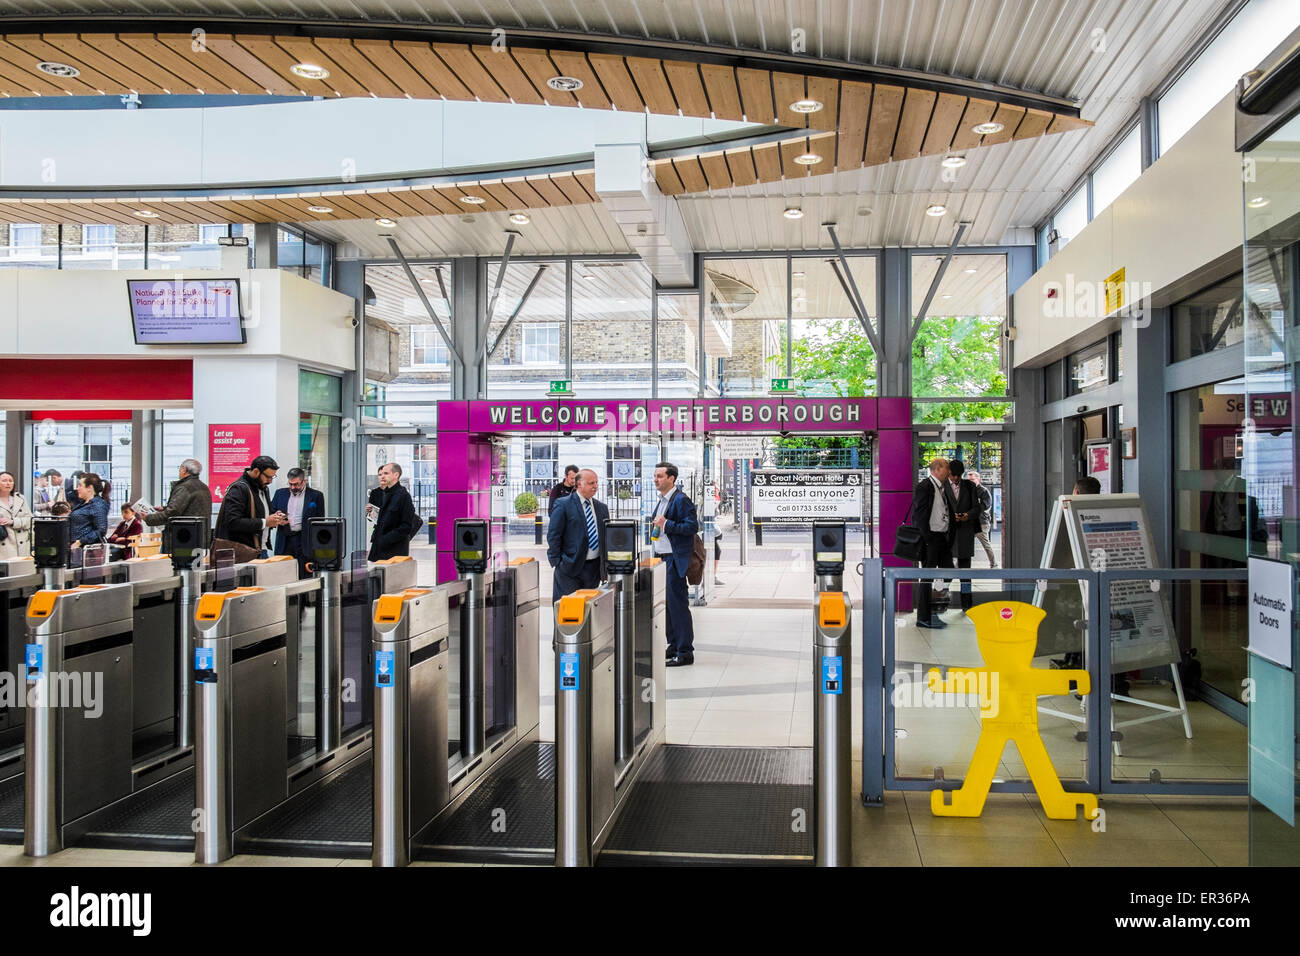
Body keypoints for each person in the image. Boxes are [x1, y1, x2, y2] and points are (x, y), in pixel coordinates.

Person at [651, 462, 699, 667]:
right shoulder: (662, 500)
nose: (656, 479)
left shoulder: (680, 500)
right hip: (661, 558)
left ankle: (685, 651)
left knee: (677, 605)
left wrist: (666, 524)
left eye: (660, 476)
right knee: (668, 606)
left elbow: (692, 526)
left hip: (673, 559)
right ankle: (673, 644)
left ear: (671, 478)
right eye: (655, 475)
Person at [546, 468, 609, 601]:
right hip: (569, 569)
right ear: (579, 484)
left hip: (594, 570)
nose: (595, 486)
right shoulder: (563, 504)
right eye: (591, 483)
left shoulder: (602, 508)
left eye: (596, 482)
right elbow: (553, 535)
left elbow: (606, 538)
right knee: (569, 608)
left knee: (589, 609)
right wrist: (558, 562)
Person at [911, 457, 957, 629]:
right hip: (931, 538)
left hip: (941, 538)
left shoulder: (942, 487)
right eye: (946, 468)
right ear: (936, 469)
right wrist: (927, 538)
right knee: (927, 576)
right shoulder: (925, 486)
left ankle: (935, 603)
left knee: (948, 571)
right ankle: (924, 617)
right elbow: (919, 515)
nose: (949, 471)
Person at [214, 455, 287, 554]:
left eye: (273, 477)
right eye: (268, 477)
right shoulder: (239, 489)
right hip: (242, 551)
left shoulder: (264, 488)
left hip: (260, 548)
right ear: (256, 471)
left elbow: (258, 513)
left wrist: (274, 517)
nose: (270, 481)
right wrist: (265, 522)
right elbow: (232, 521)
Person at [271, 467, 325, 577]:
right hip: (284, 539)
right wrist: (277, 518)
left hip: (304, 540)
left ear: (304, 481)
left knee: (304, 575)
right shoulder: (280, 494)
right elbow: (271, 513)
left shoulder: (316, 496)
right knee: (283, 575)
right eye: (290, 484)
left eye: (296, 484)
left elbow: (320, 521)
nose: (292, 487)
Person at [947, 460, 984, 612]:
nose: (955, 478)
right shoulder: (942, 486)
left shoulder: (969, 486)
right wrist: (951, 517)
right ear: (948, 473)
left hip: (965, 532)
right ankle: (940, 600)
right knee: (945, 571)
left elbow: (977, 507)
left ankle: (967, 604)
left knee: (965, 572)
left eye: (958, 475)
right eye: (953, 475)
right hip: (947, 533)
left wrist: (967, 515)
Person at [367, 462, 420, 561]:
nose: (383, 476)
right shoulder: (384, 494)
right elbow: (381, 521)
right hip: (379, 549)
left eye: (386, 473)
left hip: (394, 552)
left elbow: (406, 526)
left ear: (396, 475)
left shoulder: (403, 496)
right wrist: (372, 513)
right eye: (381, 474)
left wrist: (385, 539)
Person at [144, 459, 212, 528]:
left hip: (184, 532)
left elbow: (172, 513)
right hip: (199, 531)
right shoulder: (204, 487)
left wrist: (148, 518)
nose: (179, 471)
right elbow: (188, 509)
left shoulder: (185, 487)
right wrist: (164, 509)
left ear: (184, 470)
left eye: (180, 468)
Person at [68, 472, 110, 551]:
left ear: (89, 488)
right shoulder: (83, 503)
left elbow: (101, 530)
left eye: (80, 485)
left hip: (86, 550)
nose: (77, 488)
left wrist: (80, 542)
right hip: (77, 548)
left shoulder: (98, 505)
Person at [0, 470, 33, 561]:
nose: (8, 483)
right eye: (4, 481)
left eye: (10, 481)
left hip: (22, 545)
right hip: (3, 545)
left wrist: (13, 522)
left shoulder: (20, 498)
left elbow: (30, 520)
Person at [968, 472, 997, 568]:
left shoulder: (984, 491)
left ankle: (994, 564)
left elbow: (985, 505)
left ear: (978, 479)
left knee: (986, 545)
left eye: (972, 480)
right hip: (970, 523)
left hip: (981, 523)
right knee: (963, 544)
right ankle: (960, 565)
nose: (970, 482)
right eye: (969, 480)